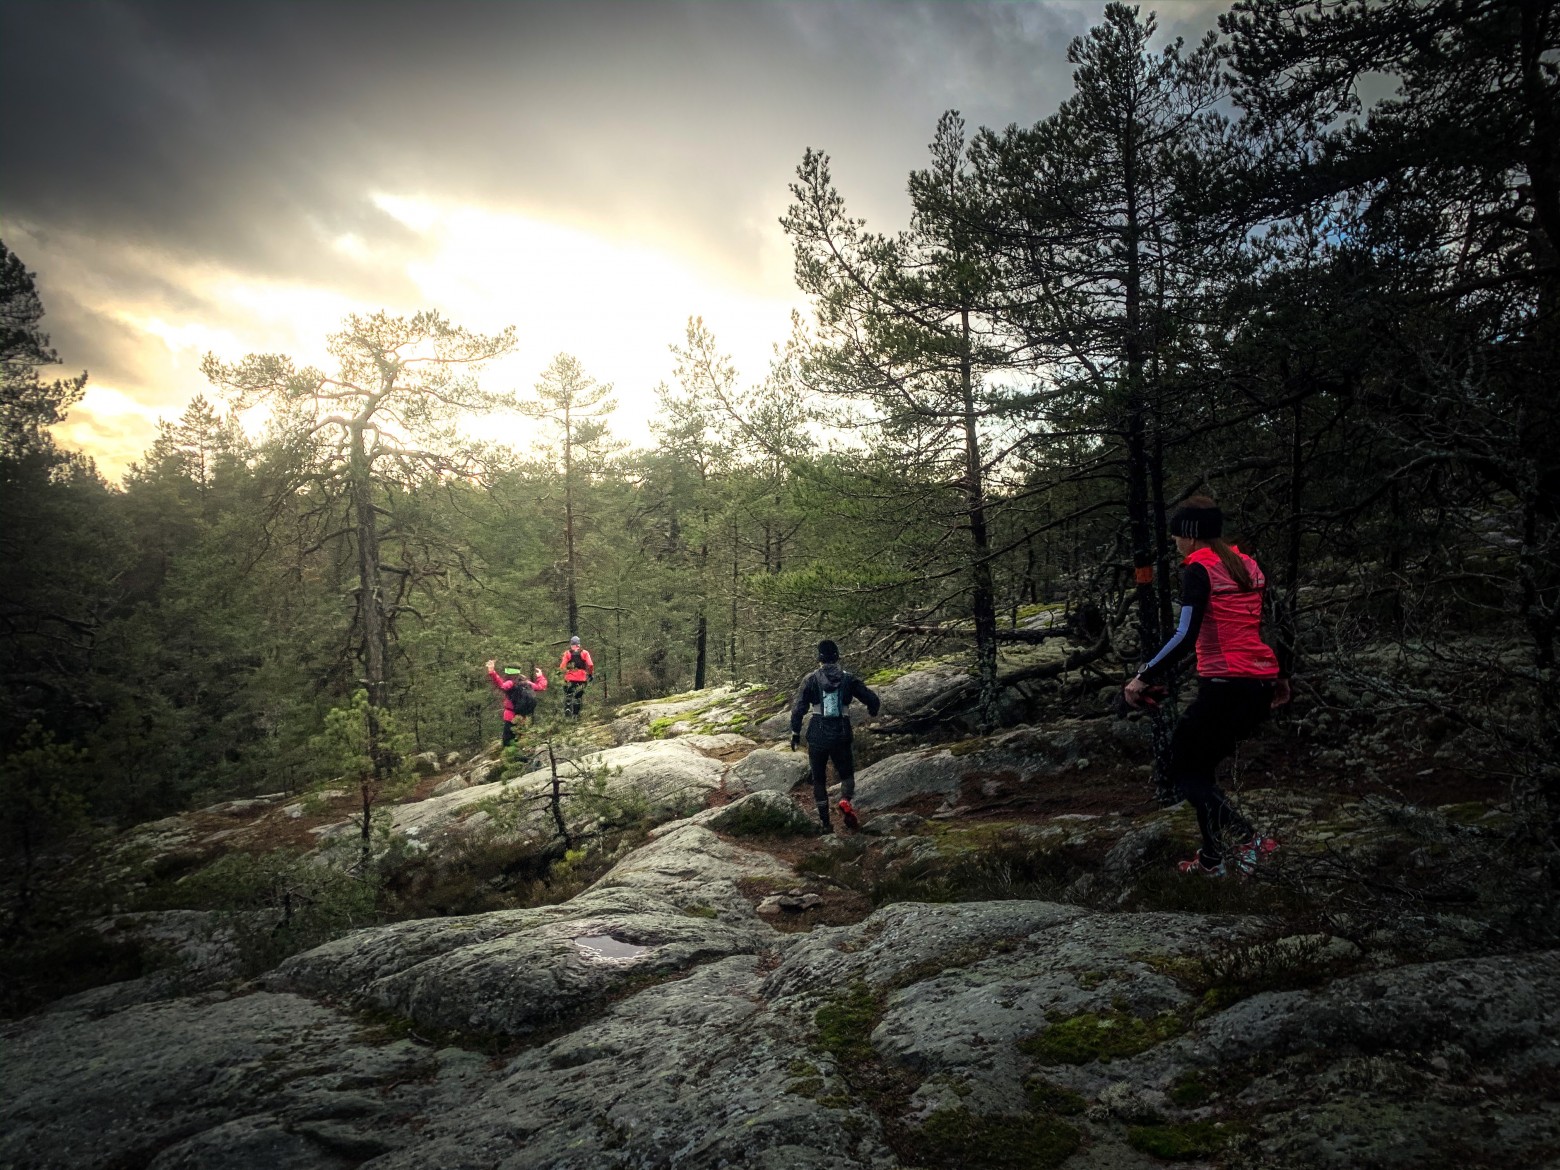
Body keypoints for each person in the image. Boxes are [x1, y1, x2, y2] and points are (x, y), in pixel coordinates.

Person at [1122, 496, 1292, 876]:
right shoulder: (1247, 565)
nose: (1174, 541)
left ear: (1191, 534)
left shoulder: (1200, 569)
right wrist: (1280, 675)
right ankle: (1213, 859)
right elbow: (1272, 625)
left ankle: (1251, 840)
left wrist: (1143, 676)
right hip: (1257, 683)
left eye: (1177, 534)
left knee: (1183, 770)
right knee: (1202, 769)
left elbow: (1185, 634)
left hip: (1226, 685)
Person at [789, 640, 881, 832]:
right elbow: (872, 698)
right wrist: (873, 710)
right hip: (841, 732)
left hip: (817, 734)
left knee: (819, 779)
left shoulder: (811, 679)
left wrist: (795, 732)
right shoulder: (849, 679)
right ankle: (845, 801)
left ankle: (825, 824)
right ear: (837, 657)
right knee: (846, 775)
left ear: (819, 659)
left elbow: (798, 709)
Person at [486, 659, 547, 748]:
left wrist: (492, 672)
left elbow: (502, 686)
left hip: (510, 716)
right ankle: (522, 758)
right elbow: (540, 686)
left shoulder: (511, 682)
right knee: (520, 740)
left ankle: (514, 759)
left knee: (508, 742)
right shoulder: (525, 682)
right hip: (523, 717)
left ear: (508, 672)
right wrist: (540, 676)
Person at [558, 635, 594, 719]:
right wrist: (590, 674)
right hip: (582, 679)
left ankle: (567, 709)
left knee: (568, 695)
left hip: (569, 678)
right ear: (579, 644)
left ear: (571, 644)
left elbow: (562, 666)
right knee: (578, 697)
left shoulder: (567, 653)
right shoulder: (584, 652)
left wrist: (563, 674)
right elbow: (591, 664)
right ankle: (575, 715)